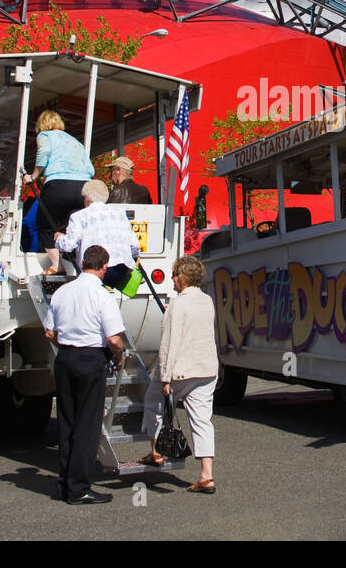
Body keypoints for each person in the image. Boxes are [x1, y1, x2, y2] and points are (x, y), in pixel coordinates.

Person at [42, 245, 126, 505]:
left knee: (66, 423)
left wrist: (66, 346)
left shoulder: (62, 292)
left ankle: (65, 484)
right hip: (90, 358)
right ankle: (79, 488)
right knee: (87, 427)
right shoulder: (102, 295)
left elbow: (49, 332)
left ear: (82, 264)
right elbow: (114, 337)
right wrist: (119, 356)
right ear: (103, 267)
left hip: (65, 357)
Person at [139, 255, 219, 494]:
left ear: (183, 278)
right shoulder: (207, 300)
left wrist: (165, 376)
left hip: (180, 370)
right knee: (202, 419)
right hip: (206, 368)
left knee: (153, 402)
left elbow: (170, 343)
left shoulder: (177, 304)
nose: (172, 279)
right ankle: (207, 474)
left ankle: (155, 451)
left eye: (174, 275)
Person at [23, 110, 94, 275]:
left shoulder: (45, 136)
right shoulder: (74, 141)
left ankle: (56, 265)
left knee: (45, 222)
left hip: (58, 184)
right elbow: (90, 167)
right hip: (83, 186)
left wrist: (33, 176)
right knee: (73, 224)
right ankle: (79, 262)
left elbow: (44, 153)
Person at [54, 179, 141, 291]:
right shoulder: (120, 213)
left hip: (96, 269)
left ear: (87, 198)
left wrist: (59, 238)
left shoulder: (79, 216)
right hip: (121, 268)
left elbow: (68, 245)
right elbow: (134, 246)